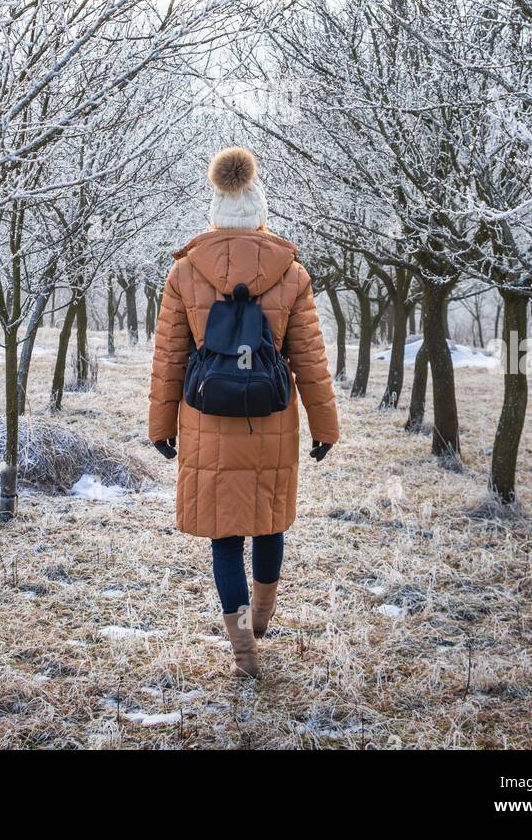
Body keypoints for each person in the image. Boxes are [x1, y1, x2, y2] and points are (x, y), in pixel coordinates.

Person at [148, 146, 340, 679]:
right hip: (270, 420)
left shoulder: (185, 272)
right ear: (260, 213)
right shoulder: (290, 272)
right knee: (267, 522)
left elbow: (169, 358)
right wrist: (325, 427)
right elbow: (309, 358)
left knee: (225, 535)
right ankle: (261, 618)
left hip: (207, 420)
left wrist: (161, 426)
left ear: (215, 213)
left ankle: (242, 651)